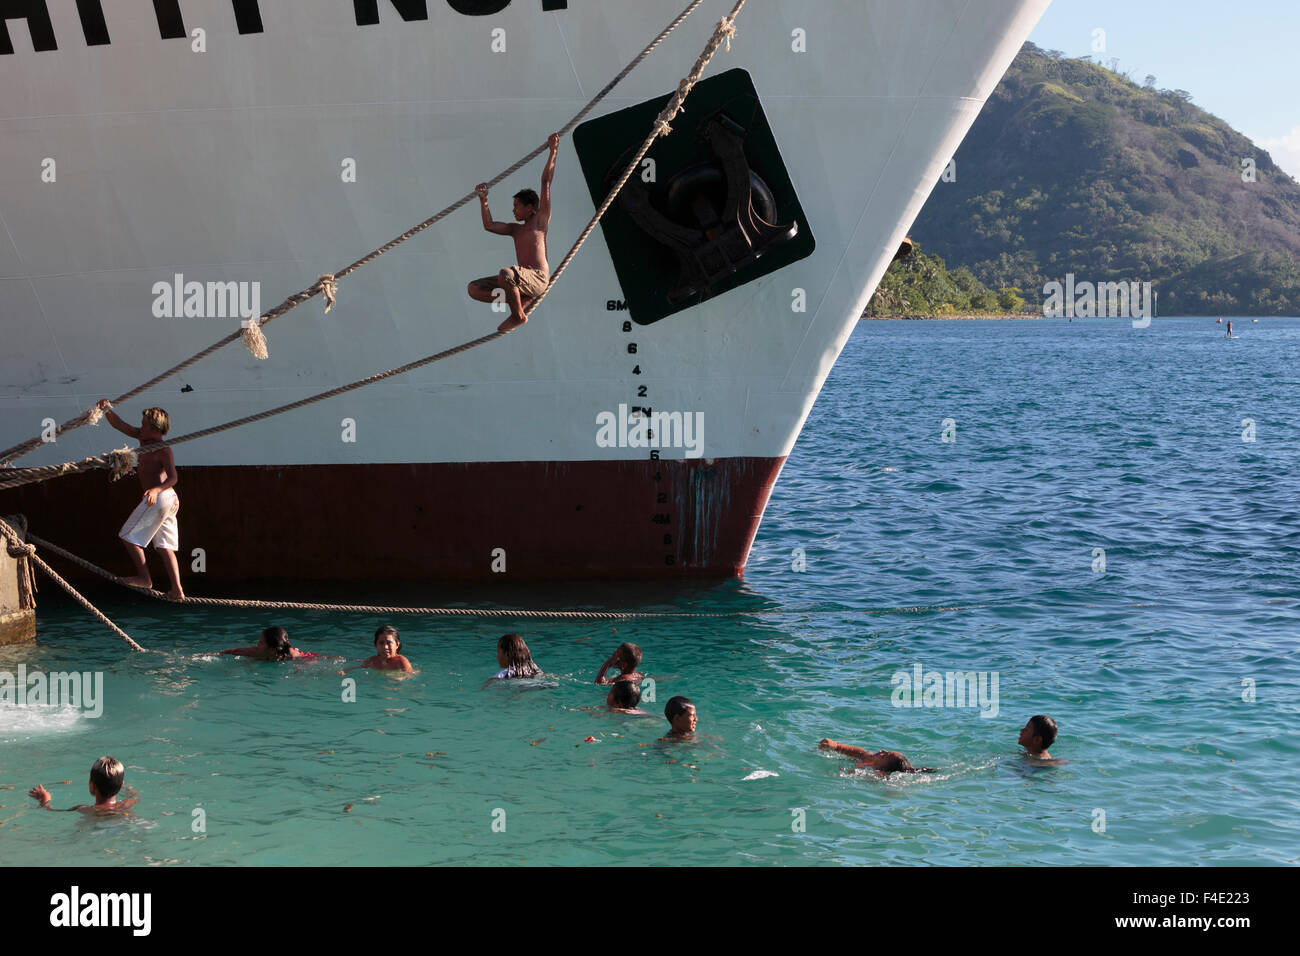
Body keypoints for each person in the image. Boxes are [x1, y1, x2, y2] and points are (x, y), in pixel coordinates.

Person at [467, 132, 560, 332]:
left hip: (537, 279)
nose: (513, 210)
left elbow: (546, 183)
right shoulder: (515, 230)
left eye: (517, 206)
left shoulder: (540, 220)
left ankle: (517, 315)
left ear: (530, 208)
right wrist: (484, 200)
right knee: (473, 289)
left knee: (506, 274)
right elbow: (489, 225)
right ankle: (518, 300)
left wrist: (553, 151)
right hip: (518, 281)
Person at [97, 400, 184, 599]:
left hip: (161, 497)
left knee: (128, 536)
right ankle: (177, 589)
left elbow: (173, 478)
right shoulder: (143, 440)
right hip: (169, 500)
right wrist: (106, 410)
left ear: (155, 428)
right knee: (164, 546)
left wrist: (155, 490)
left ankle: (145, 578)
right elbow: (121, 425)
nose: (140, 427)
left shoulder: (163, 449)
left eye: (144, 424)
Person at [29, 756, 138, 815]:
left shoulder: (83, 809)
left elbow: (51, 811)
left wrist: (44, 799)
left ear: (92, 785)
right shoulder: (127, 804)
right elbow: (135, 796)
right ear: (121, 785)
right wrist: (129, 790)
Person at [818, 739, 936, 776]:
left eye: (886, 755)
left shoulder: (878, 776)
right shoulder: (872, 758)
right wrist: (836, 746)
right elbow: (858, 752)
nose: (882, 751)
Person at [220, 626, 316, 661]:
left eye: (261, 642)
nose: (257, 645)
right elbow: (232, 651)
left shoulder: (296, 657)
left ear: (271, 649)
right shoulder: (258, 651)